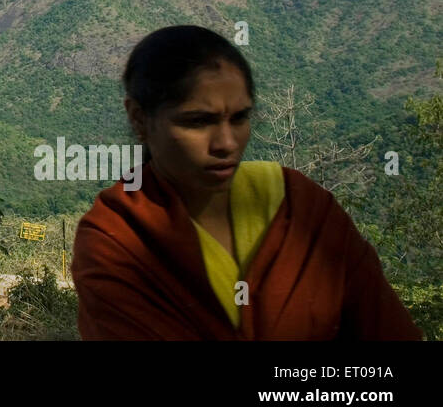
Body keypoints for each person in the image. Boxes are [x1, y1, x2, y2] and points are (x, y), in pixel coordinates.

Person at [71, 25, 422, 341]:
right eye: (198, 121)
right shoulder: (115, 240)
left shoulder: (299, 205)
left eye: (239, 118)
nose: (226, 143)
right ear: (139, 119)